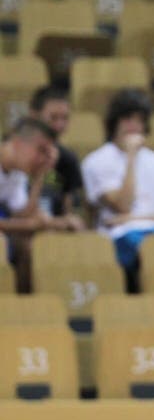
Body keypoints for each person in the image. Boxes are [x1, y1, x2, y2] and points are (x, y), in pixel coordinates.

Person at [81, 89, 154, 292]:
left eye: (139, 120)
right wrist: (130, 157)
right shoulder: (96, 161)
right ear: (115, 123)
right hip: (120, 235)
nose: (134, 127)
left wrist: (132, 218)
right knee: (145, 248)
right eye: (128, 119)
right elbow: (122, 205)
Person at [0, 118, 80, 292]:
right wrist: (28, 225)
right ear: (17, 144)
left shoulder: (17, 171)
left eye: (49, 153)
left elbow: (23, 213)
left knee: (37, 242)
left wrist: (41, 173)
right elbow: (25, 221)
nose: (44, 158)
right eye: (41, 150)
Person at [28, 86, 85, 222]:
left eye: (65, 118)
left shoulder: (68, 160)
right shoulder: (15, 156)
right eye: (53, 117)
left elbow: (68, 211)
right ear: (34, 115)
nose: (59, 125)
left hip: (53, 231)